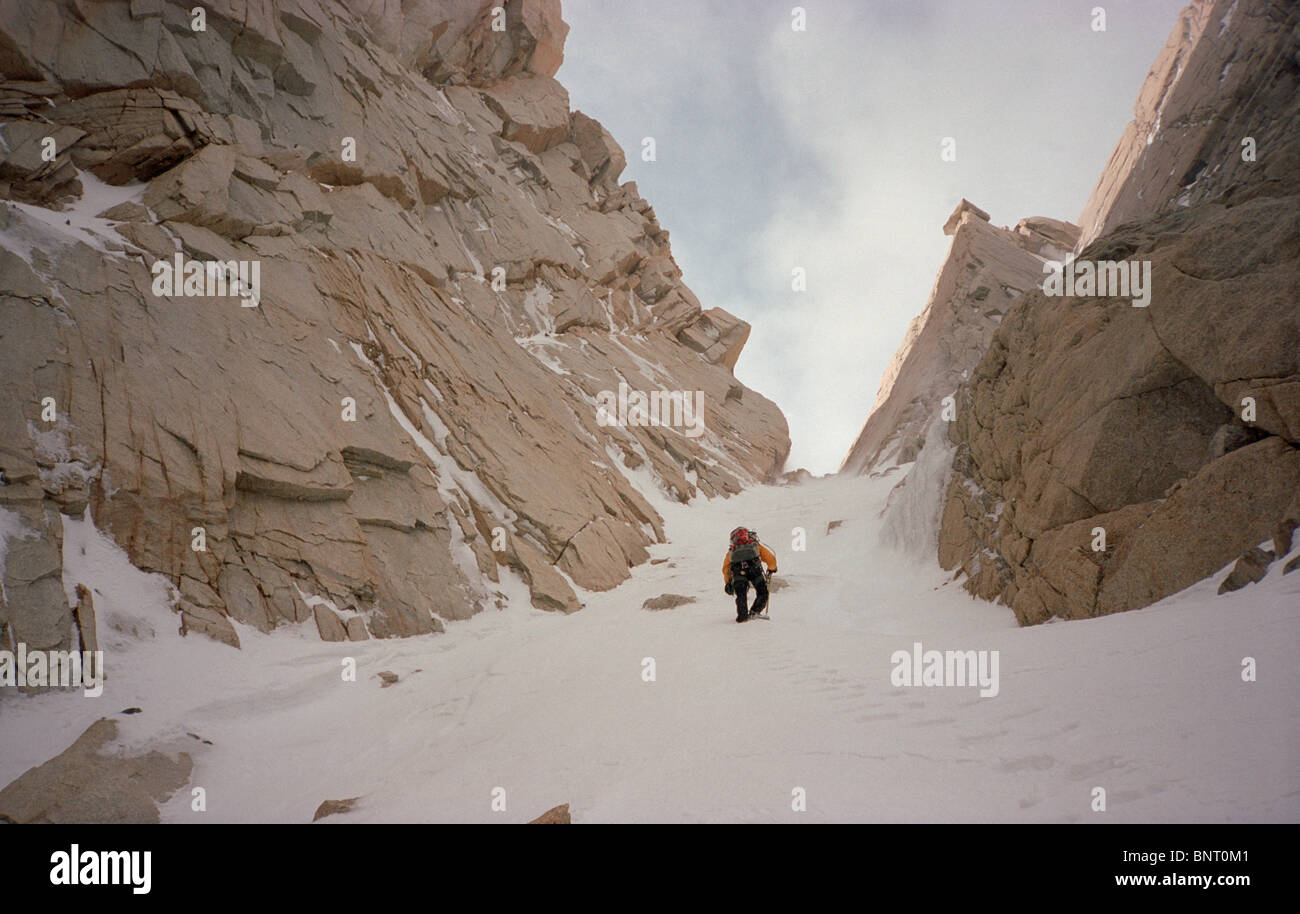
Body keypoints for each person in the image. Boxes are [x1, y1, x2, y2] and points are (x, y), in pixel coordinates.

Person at [722, 526, 777, 622]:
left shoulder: (732, 551)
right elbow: (770, 558)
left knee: (741, 595)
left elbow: (726, 568)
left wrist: (728, 582)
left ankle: (742, 617)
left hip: (739, 574)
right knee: (762, 592)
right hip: (755, 571)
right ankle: (754, 612)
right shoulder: (755, 546)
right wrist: (772, 568)